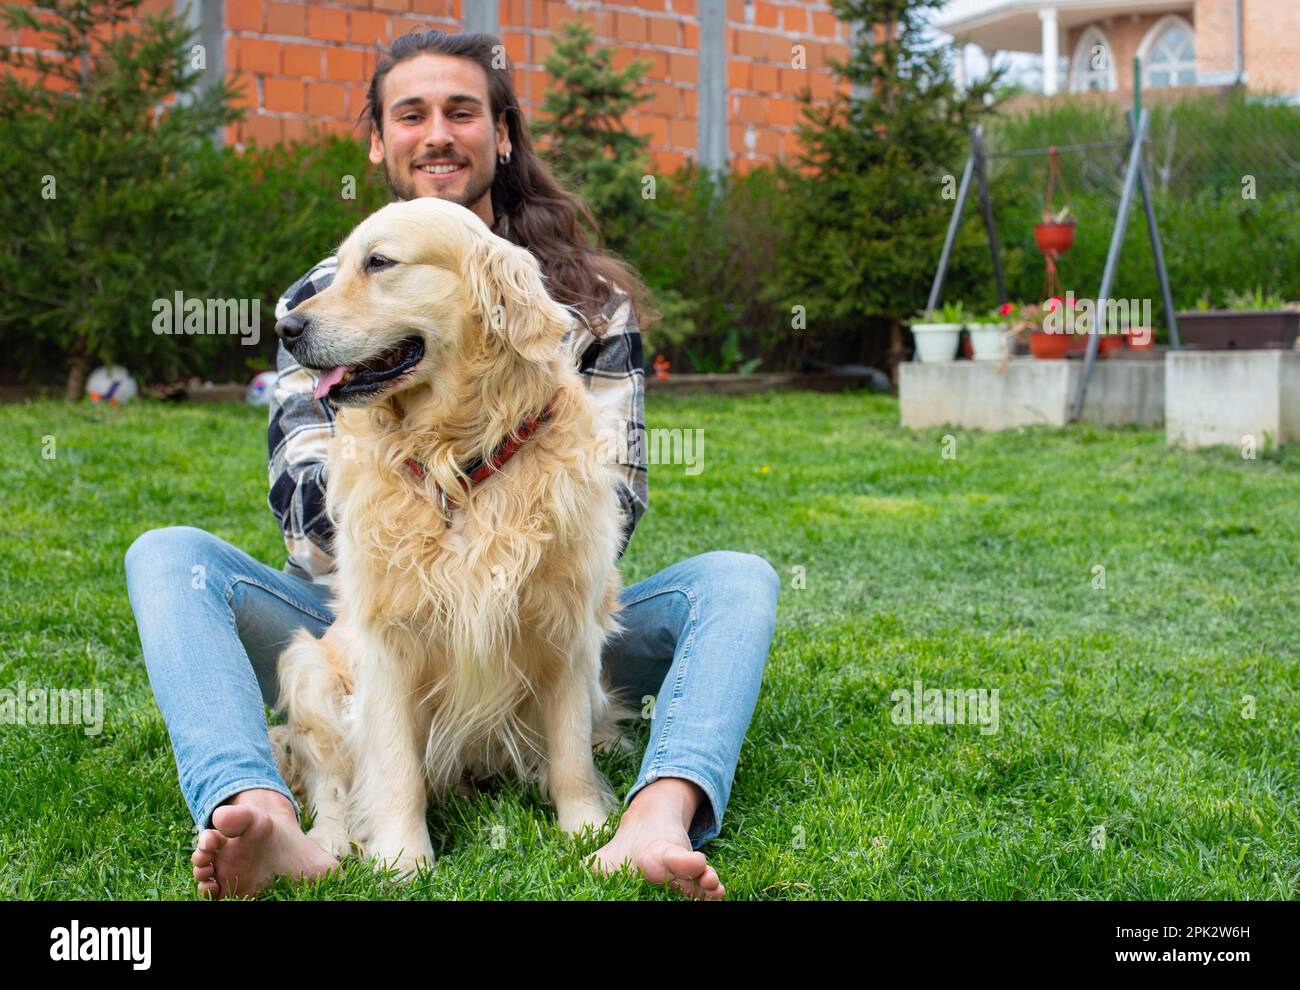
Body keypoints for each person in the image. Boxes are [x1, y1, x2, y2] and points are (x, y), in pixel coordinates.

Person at [124, 29, 778, 901]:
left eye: (462, 111)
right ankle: (261, 808)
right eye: (410, 114)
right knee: (167, 556)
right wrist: (410, 464)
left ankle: (657, 813)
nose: (437, 132)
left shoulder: (585, 302)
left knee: (737, 579)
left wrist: (509, 470)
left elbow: (614, 509)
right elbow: (311, 530)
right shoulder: (319, 308)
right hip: (359, 611)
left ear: (501, 135)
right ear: (378, 140)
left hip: (552, 624)